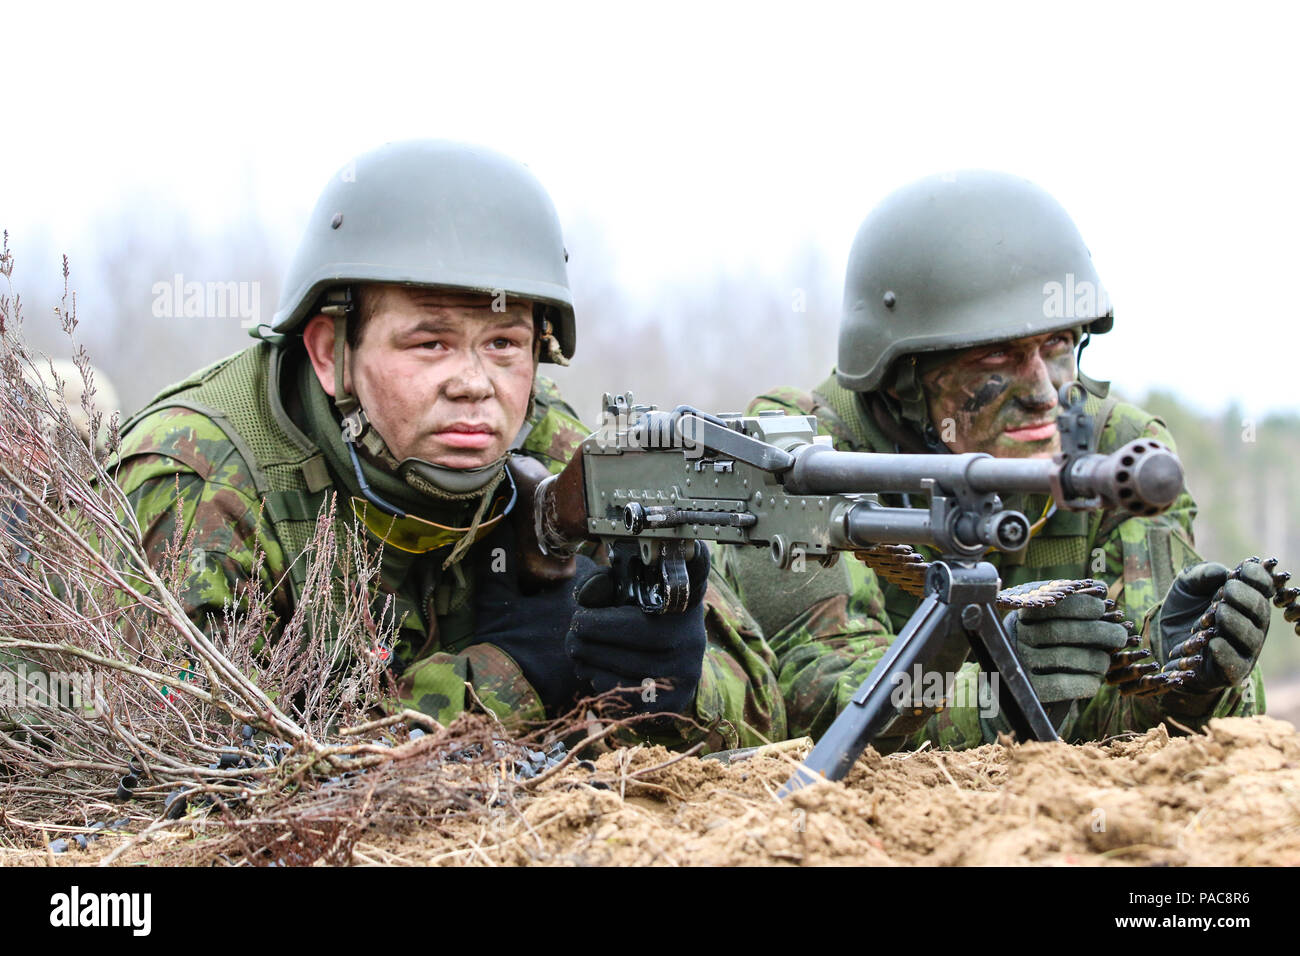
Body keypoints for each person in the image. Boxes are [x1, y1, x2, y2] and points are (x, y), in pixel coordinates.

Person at [111, 140, 784, 751]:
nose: (474, 385)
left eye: (504, 345)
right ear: (330, 353)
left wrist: (672, 679)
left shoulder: (550, 449)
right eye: (429, 343)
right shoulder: (199, 478)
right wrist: (509, 680)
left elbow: (769, 713)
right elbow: (191, 766)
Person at [718, 170, 1268, 750]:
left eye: (1057, 345)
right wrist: (994, 698)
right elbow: (817, 697)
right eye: (998, 356)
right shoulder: (803, 455)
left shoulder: (1120, 459)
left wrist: (1189, 684)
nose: (1044, 392)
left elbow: (1131, 729)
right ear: (905, 374)